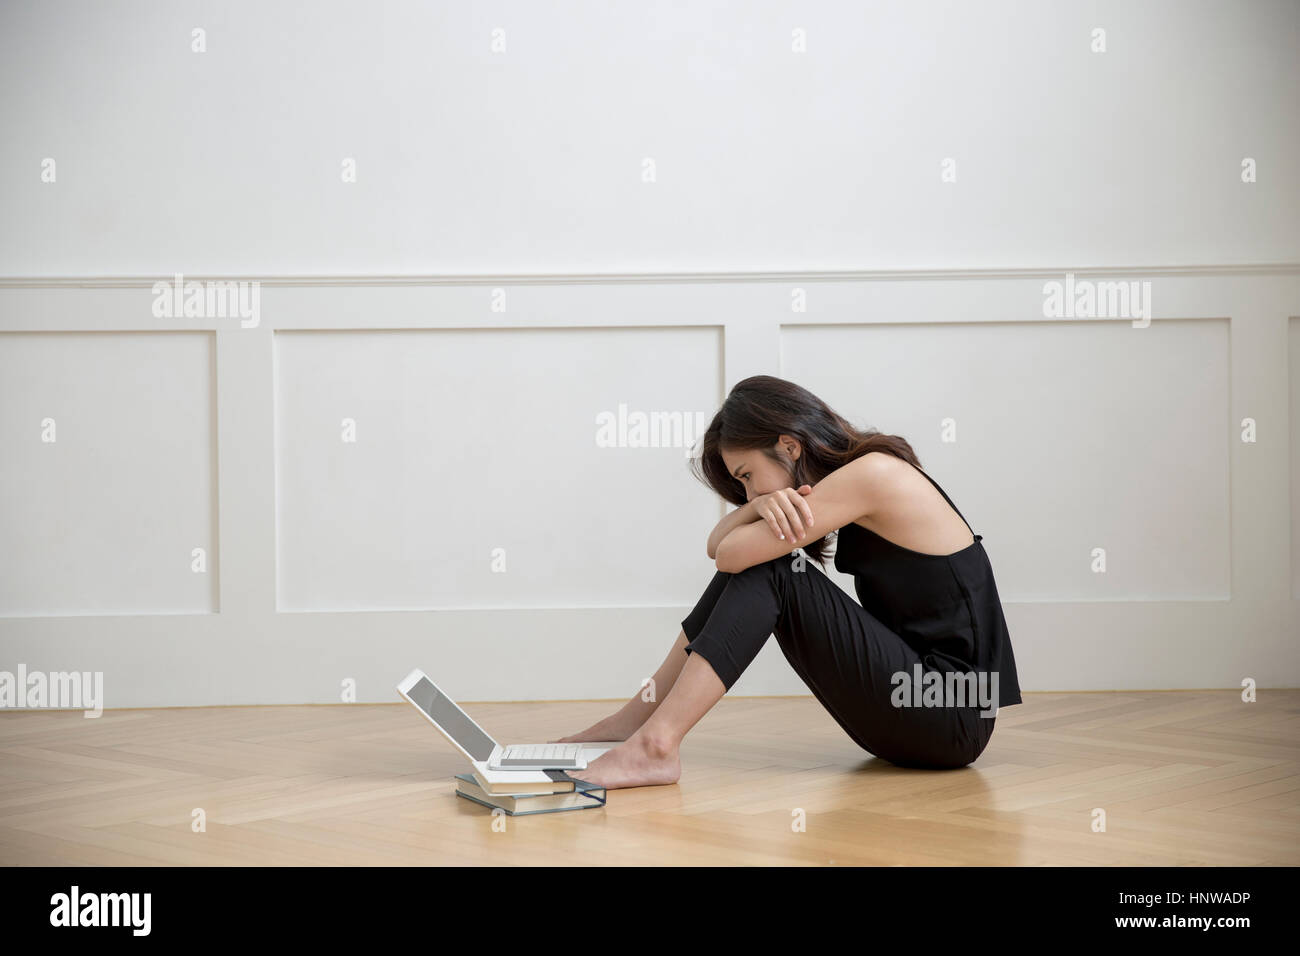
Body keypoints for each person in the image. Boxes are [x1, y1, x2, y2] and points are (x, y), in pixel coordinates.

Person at [556, 374, 1022, 789]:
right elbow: (720, 552)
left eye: (747, 477)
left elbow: (731, 554)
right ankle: (633, 722)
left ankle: (656, 746)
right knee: (767, 563)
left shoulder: (873, 474)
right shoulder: (853, 477)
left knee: (774, 568)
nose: (752, 492)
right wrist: (752, 507)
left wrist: (750, 514)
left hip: (949, 716)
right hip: (921, 708)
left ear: (789, 446)